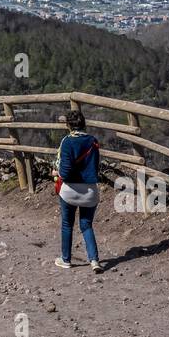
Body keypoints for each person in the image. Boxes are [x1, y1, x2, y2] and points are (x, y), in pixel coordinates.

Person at [54, 109, 103, 272]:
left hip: (70, 190)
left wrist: (56, 173)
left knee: (67, 224)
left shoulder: (67, 142)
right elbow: (96, 166)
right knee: (87, 225)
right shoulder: (93, 141)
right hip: (90, 190)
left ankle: (66, 259)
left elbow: (65, 171)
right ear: (84, 124)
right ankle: (94, 260)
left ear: (68, 125)